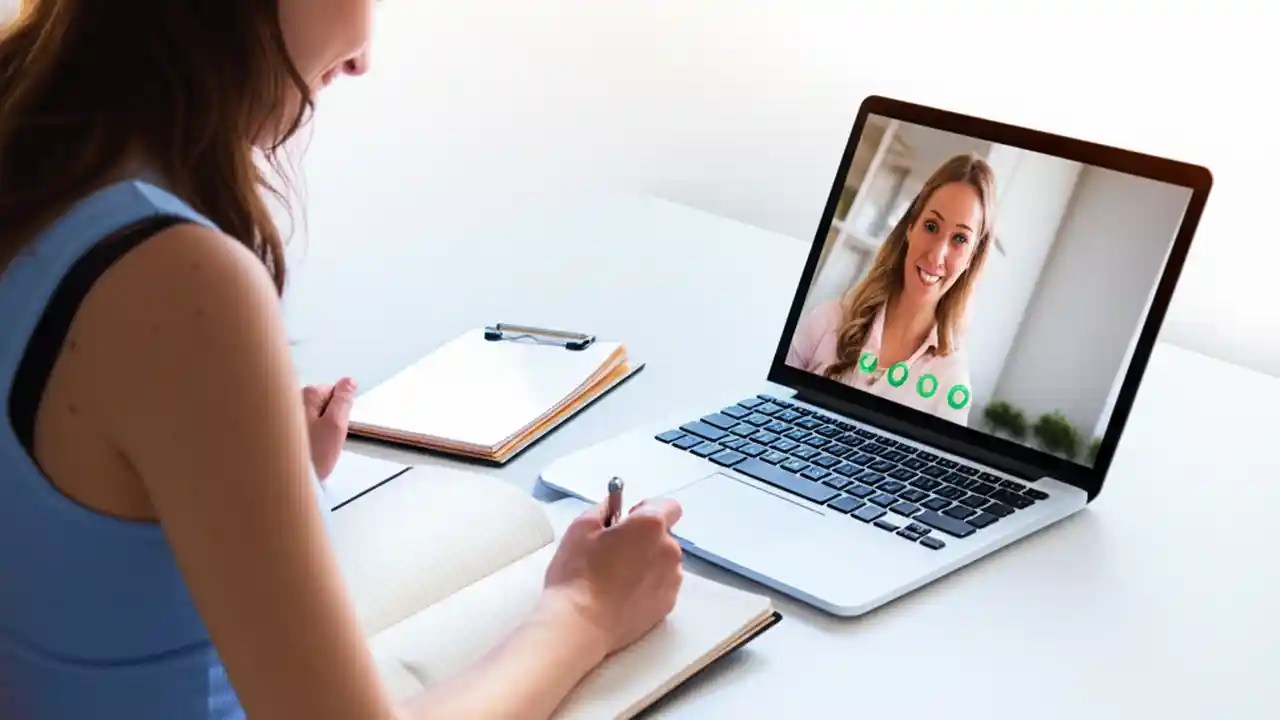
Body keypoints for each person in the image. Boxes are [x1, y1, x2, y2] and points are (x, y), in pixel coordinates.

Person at [0, 2, 684, 719]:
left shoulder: (36, 144)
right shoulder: (176, 282)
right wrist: (583, 612)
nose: (362, 57)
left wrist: (246, 469)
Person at [786, 154, 996, 425]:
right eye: (931, 226)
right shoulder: (829, 320)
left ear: (972, 258)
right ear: (911, 227)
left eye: (960, 239)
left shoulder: (950, 382)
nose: (936, 255)